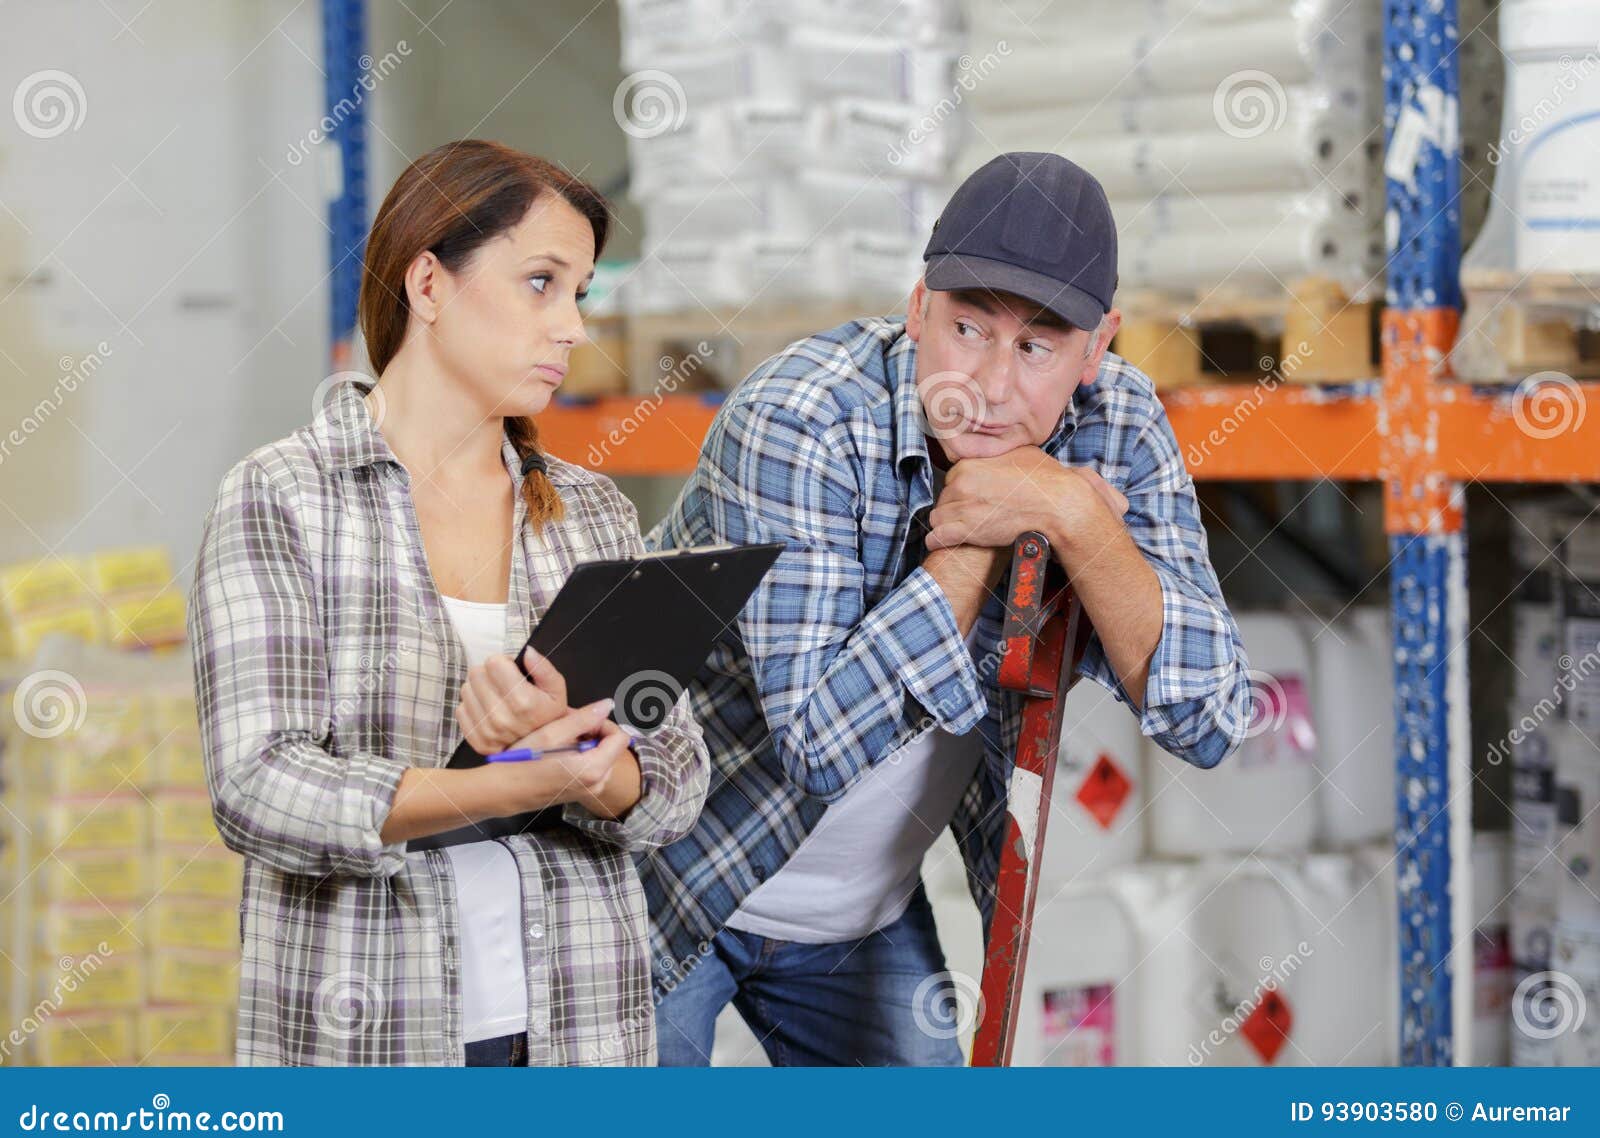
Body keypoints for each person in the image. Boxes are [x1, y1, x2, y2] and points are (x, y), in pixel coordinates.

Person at [642, 151, 1253, 1066]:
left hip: (862, 911)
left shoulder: (1117, 421)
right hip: (670, 887)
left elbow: (1213, 714)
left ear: (1098, 348)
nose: (993, 385)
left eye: (1038, 347)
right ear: (919, 306)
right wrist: (973, 540)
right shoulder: (800, 416)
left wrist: (1078, 516)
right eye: (969, 328)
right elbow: (815, 746)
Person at [188, 139, 709, 1067]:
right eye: (541, 282)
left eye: (581, 294)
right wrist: (513, 781)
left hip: (578, 1028)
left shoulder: (590, 514)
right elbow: (258, 786)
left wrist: (590, 754)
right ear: (428, 283)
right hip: (375, 1033)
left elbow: (674, 782)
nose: (573, 330)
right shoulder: (282, 497)